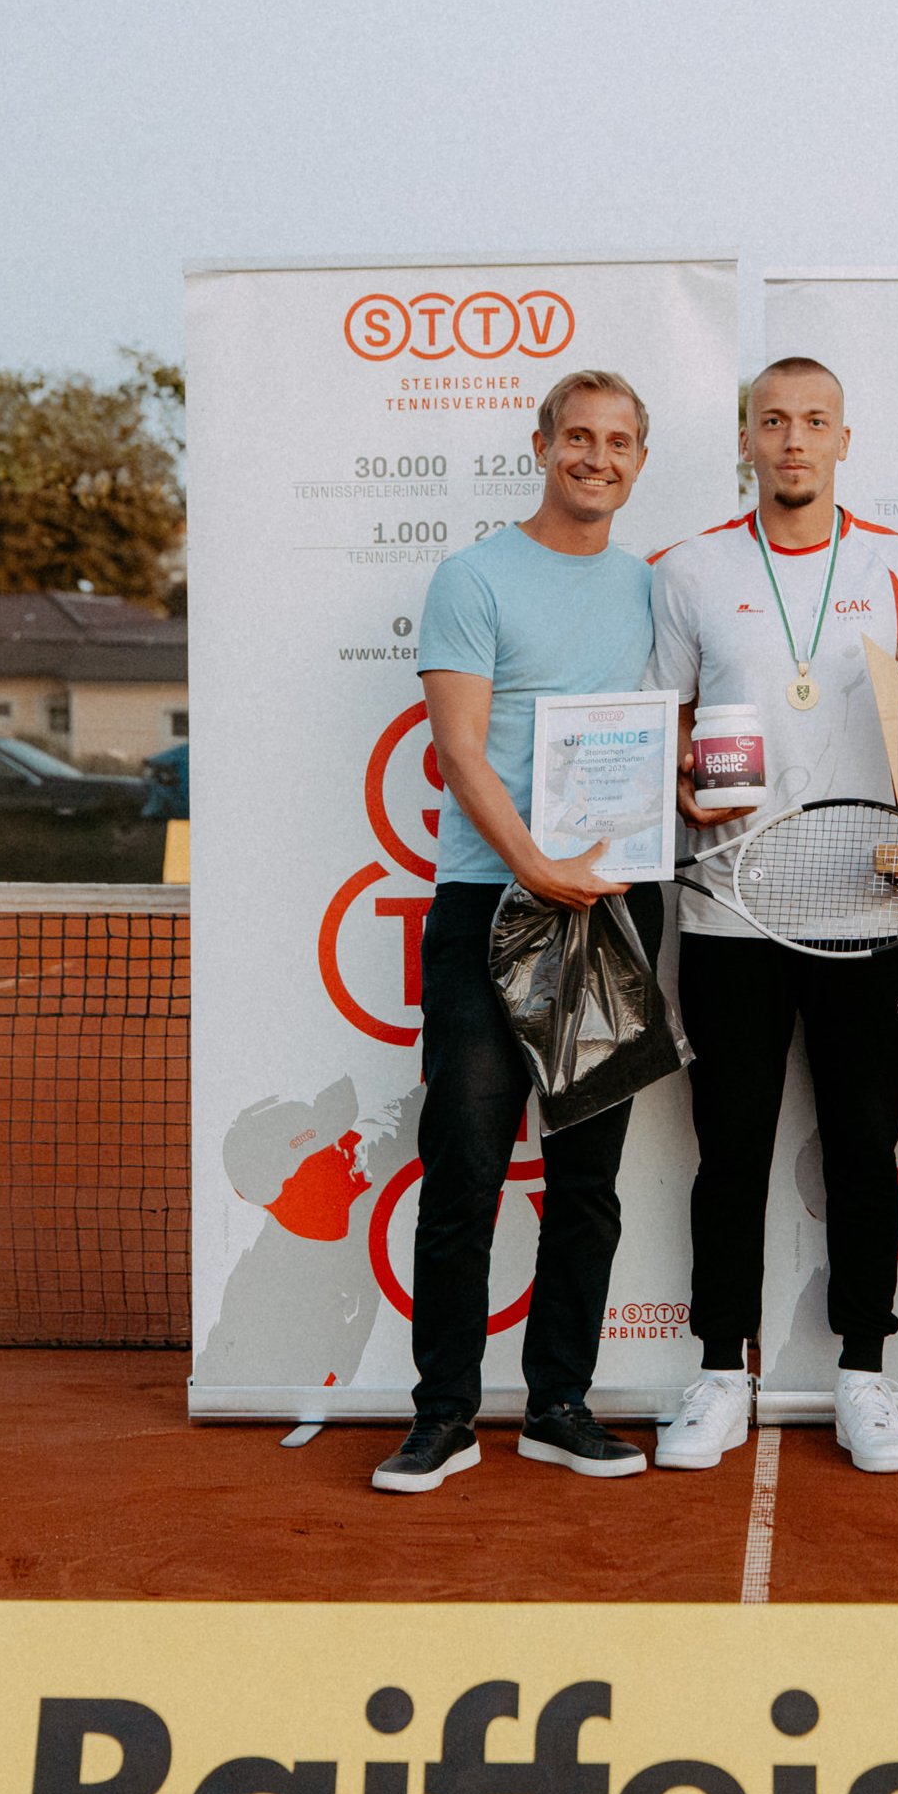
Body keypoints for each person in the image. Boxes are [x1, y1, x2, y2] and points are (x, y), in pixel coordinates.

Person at [645, 357, 898, 1477]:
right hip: (729, 907)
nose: (793, 441)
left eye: (815, 420)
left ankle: (865, 1374)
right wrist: (680, 782)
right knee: (730, 1151)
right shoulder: (688, 573)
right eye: (773, 422)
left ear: (844, 437)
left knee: (866, 1149)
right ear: (746, 439)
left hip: (866, 907)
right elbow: (662, 725)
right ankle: (721, 1371)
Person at [376, 369, 668, 1494]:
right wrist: (536, 866)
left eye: (620, 442)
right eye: (579, 437)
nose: (598, 457)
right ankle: (443, 1414)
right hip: (489, 906)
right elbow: (460, 751)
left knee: (585, 1181)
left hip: (607, 909)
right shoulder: (473, 576)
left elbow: (650, 743)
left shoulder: (650, 587)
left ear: (641, 461)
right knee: (464, 1171)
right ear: (541, 444)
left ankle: (559, 1404)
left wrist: (673, 803)